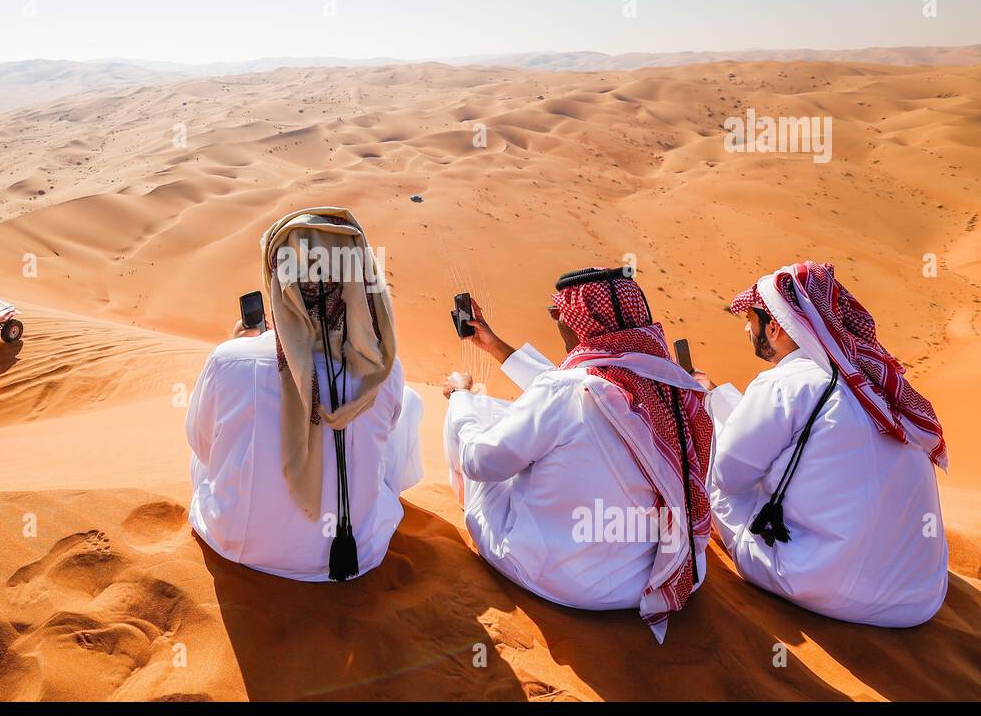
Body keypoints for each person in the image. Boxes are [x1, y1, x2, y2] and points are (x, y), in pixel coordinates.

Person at [443, 267, 712, 642]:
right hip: (648, 576)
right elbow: (583, 388)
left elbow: (480, 461)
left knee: (482, 426)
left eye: (558, 313)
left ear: (577, 319)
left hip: (561, 580)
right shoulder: (672, 385)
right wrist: (495, 346)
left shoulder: (569, 391)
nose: (554, 321)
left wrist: (461, 401)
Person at [698, 261, 948, 627]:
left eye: (751, 320)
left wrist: (704, 410)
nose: (746, 330)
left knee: (713, 483)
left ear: (776, 326)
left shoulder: (786, 383)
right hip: (921, 597)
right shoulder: (876, 382)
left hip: (833, 590)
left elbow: (728, 477)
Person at [186, 208, 423, 582]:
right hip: (357, 551)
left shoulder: (228, 361)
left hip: (235, 544)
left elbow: (201, 445)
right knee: (409, 405)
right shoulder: (385, 370)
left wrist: (237, 352)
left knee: (210, 444)